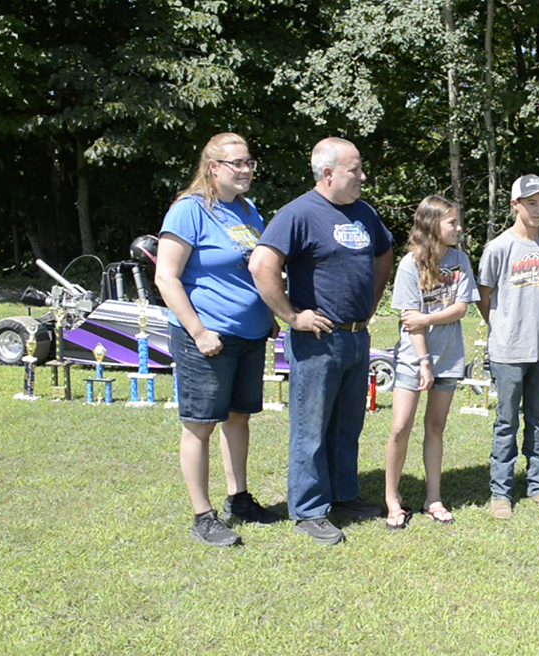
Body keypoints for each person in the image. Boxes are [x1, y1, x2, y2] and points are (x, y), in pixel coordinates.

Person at [249, 137, 393, 546]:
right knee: (311, 429)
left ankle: (343, 495)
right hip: (317, 340)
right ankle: (310, 509)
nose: (362, 176)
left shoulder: (364, 213)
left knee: (348, 425)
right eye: (355, 170)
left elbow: (384, 252)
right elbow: (262, 264)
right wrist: (292, 315)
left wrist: (372, 301)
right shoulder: (298, 213)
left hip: (355, 336)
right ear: (328, 173)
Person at [154, 132, 280, 548]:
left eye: (249, 162)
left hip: (249, 334)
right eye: (236, 164)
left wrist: (272, 313)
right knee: (200, 425)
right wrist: (198, 331)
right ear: (213, 168)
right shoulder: (188, 211)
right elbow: (166, 276)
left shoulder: (247, 211)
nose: (246, 170)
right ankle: (202, 515)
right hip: (206, 336)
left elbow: (255, 268)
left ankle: (239, 499)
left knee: (239, 417)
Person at [477, 174, 539, 519]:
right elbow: (484, 296)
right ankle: (501, 493)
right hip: (507, 351)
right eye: (532, 203)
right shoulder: (499, 248)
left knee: (538, 420)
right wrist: (502, 328)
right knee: (505, 422)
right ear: (515, 205)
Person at [383, 195, 478, 529]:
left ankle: (432, 498)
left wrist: (427, 318)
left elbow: (461, 308)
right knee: (400, 427)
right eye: (452, 222)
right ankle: (392, 501)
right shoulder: (410, 264)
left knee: (436, 427)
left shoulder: (460, 260)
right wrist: (423, 362)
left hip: (450, 358)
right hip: (413, 359)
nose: (459, 228)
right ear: (432, 225)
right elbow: (411, 322)